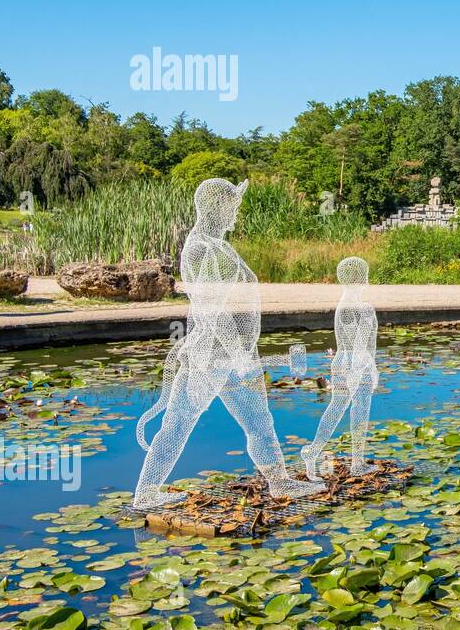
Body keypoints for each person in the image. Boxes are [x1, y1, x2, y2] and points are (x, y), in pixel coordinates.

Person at [133, 178, 324, 509]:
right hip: (212, 357)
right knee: (178, 422)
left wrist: (243, 353)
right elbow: (211, 308)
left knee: (259, 421)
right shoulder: (199, 248)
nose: (235, 214)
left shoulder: (218, 246)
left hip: (235, 357)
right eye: (232, 206)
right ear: (215, 207)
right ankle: (146, 493)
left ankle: (279, 482)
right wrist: (239, 353)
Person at [301, 257, 380, 480]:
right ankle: (354, 462)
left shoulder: (344, 306)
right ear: (361, 278)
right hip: (355, 364)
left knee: (338, 409)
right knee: (356, 410)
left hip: (344, 363)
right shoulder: (360, 309)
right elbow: (360, 345)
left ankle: (317, 452)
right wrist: (368, 370)